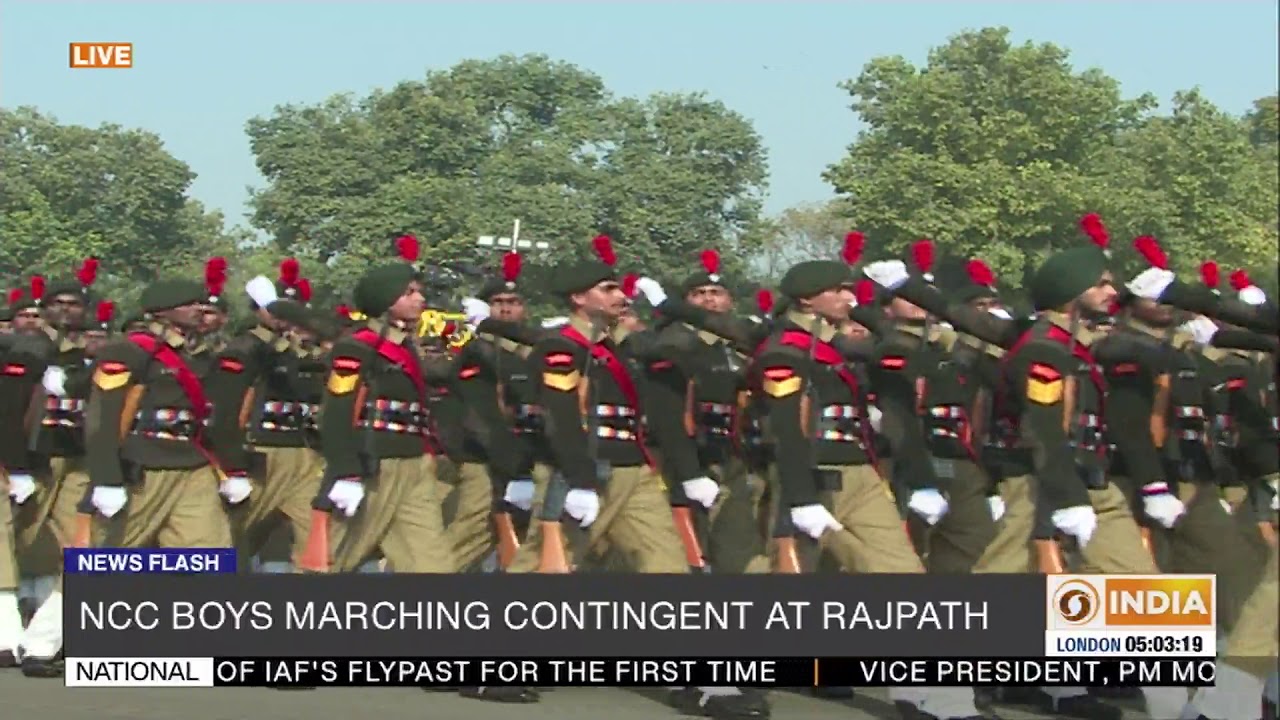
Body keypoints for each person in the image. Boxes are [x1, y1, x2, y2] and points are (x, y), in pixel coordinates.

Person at [20, 278, 236, 678]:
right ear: (161, 311)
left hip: (189, 463)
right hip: (142, 463)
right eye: (187, 304)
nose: (198, 310)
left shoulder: (199, 354)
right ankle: (42, 644)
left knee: (207, 551)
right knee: (105, 559)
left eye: (200, 304)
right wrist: (105, 477)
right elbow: (102, 418)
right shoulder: (127, 351)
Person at [506, 235, 688, 576]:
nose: (621, 296)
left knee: (666, 563)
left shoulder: (618, 347)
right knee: (544, 565)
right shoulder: (560, 348)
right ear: (578, 298)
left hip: (633, 468)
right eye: (608, 289)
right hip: (585, 469)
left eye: (619, 289)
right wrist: (580, 479)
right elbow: (563, 417)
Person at [303, 251, 456, 575]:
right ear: (386, 302)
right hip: (373, 466)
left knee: (433, 566)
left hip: (413, 464)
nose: (420, 298)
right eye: (409, 293)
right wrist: (346, 470)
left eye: (418, 291)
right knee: (332, 562)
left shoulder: (404, 348)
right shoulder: (356, 348)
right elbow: (336, 414)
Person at [204, 272, 324, 575]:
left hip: (303, 456)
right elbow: (226, 415)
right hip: (260, 454)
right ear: (260, 310)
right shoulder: (244, 350)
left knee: (320, 541)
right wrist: (232, 467)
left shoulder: (297, 353)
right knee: (225, 537)